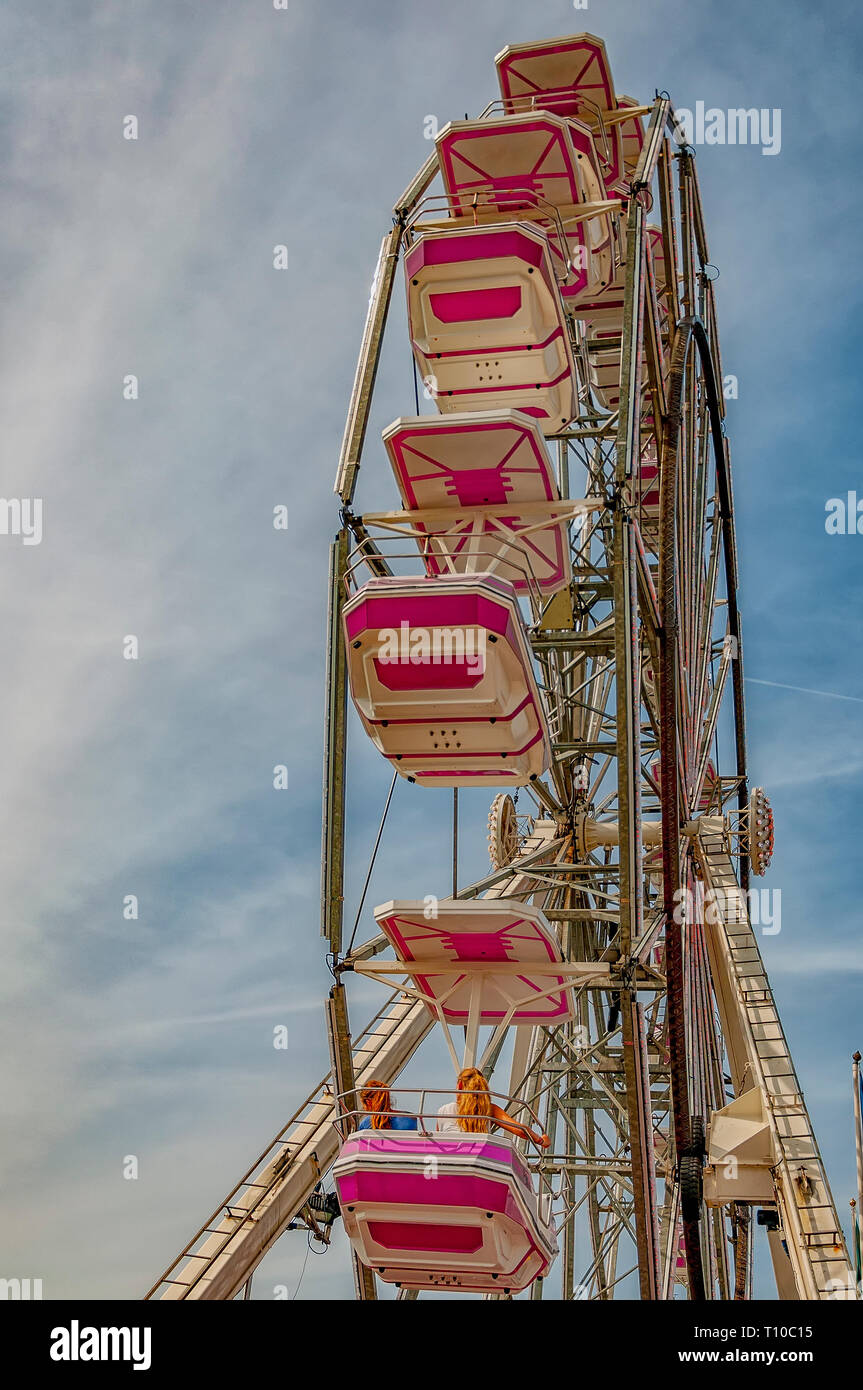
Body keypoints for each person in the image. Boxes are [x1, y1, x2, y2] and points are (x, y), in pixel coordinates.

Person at [435, 1067, 550, 1148]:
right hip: (478, 1161)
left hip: (448, 1159)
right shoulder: (489, 1110)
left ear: (460, 1085)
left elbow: (437, 1141)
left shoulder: (443, 1110)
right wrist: (541, 1140)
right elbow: (520, 1130)